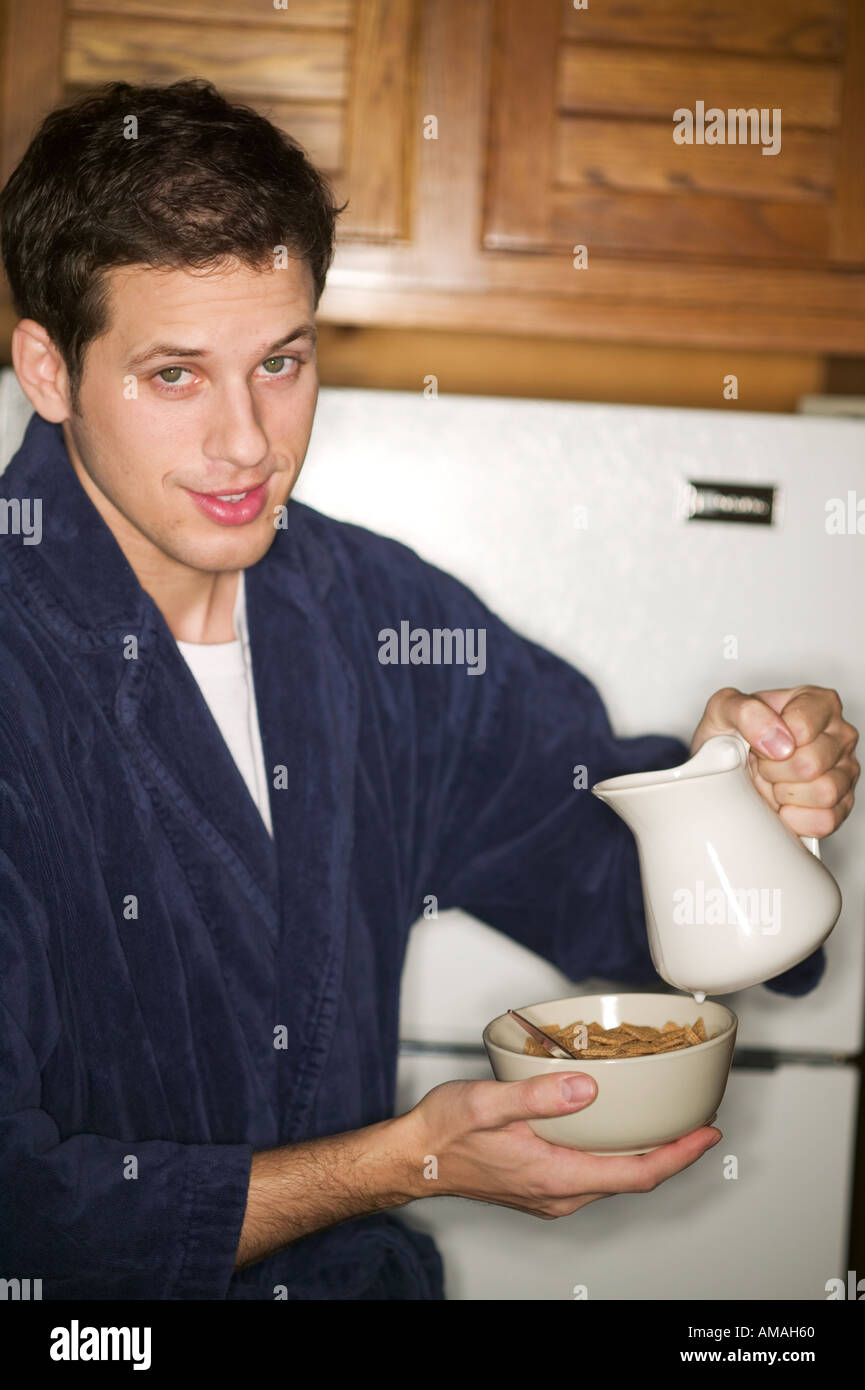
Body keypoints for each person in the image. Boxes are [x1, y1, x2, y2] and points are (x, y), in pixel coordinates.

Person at [0, 80, 858, 1301]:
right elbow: (18, 1208)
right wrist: (398, 1166)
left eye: (282, 361)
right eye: (175, 375)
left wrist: (737, 796)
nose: (249, 442)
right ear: (47, 367)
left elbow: (600, 874)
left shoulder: (372, 615)